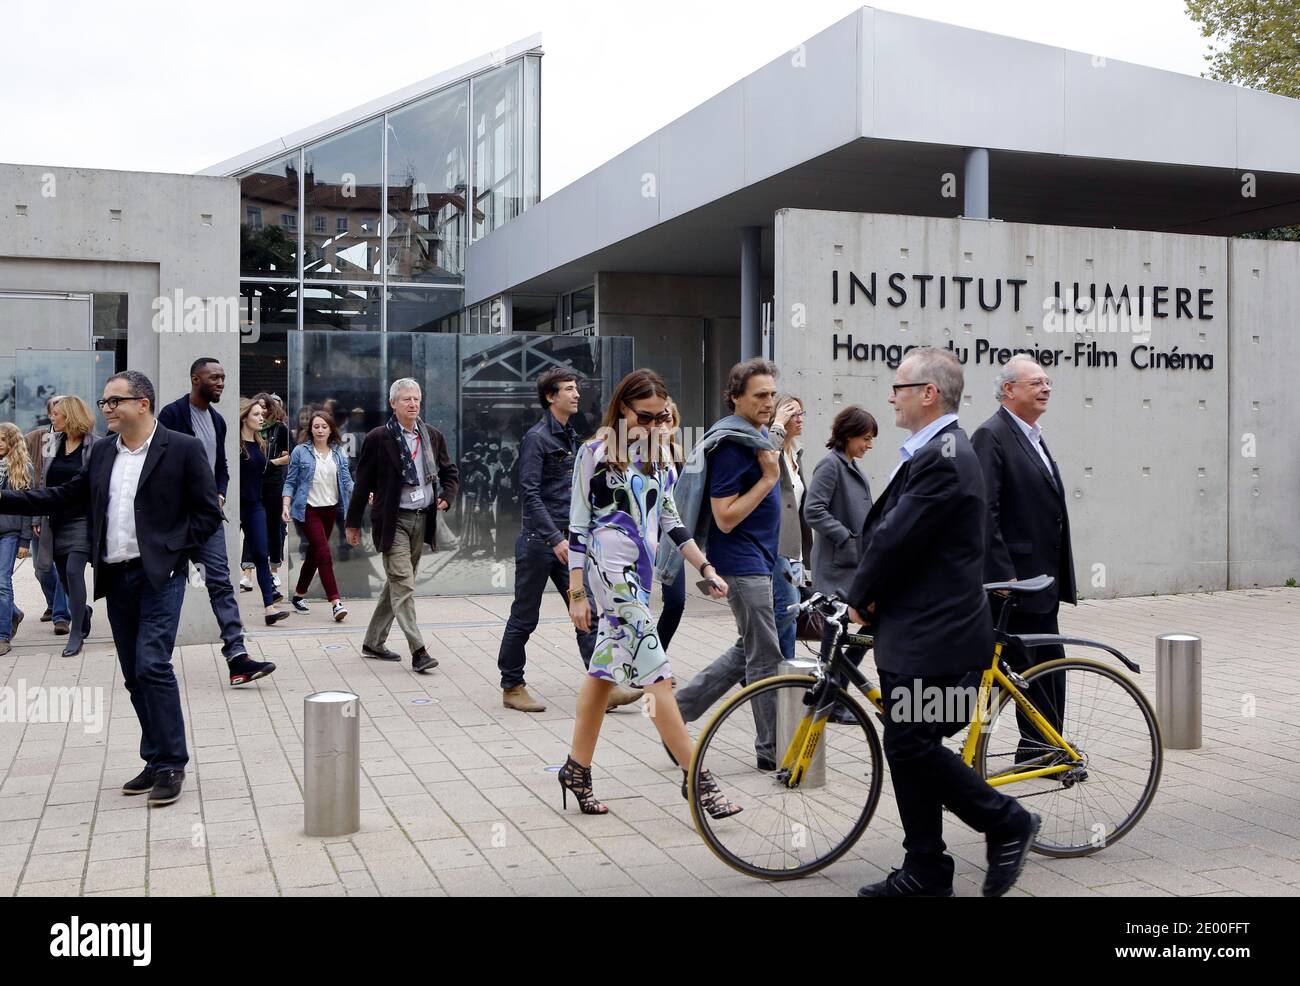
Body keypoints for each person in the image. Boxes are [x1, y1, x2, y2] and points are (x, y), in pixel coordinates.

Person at [844, 347, 1040, 898]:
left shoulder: (943, 455)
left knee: (911, 744)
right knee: (908, 744)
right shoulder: (936, 451)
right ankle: (926, 868)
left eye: (899, 387)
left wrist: (860, 597)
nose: (891, 397)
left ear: (928, 393)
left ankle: (1006, 821)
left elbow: (895, 537)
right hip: (923, 634)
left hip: (940, 640)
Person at [0, 370, 224, 806]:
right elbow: (61, 496)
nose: (107, 409)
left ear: (142, 403)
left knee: (152, 664)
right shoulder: (102, 453)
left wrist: (173, 552)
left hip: (160, 576)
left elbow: (207, 514)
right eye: (104, 402)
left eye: (113, 401)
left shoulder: (182, 449)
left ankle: (173, 762)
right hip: (116, 577)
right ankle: (156, 757)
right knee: (132, 673)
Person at [559, 369, 740, 820]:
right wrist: (576, 591)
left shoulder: (661, 458)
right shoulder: (594, 453)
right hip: (608, 574)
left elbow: (674, 522)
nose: (657, 425)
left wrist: (706, 567)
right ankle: (696, 776)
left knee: (603, 672)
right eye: (647, 417)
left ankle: (576, 769)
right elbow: (578, 527)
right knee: (656, 673)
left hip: (639, 577)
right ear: (623, 409)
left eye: (663, 417)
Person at [667, 359, 784, 771]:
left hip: (760, 560)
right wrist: (769, 480)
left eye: (772, 394)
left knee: (748, 649)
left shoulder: (756, 435)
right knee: (766, 656)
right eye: (760, 396)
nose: (769, 402)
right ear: (735, 398)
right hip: (741, 563)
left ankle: (677, 712)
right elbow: (725, 516)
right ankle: (772, 751)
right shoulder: (733, 447)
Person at [971, 354, 1077, 756]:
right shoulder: (992, 435)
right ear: (1009, 390)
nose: (1046, 387)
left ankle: (1043, 745)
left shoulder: (1032, 435)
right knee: (1018, 669)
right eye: (1036, 382)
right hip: (1015, 584)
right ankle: (1025, 745)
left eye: (1047, 381)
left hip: (1040, 580)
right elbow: (984, 510)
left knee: (1048, 665)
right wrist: (1002, 576)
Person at [495, 369, 616, 713]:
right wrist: (553, 539)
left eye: (576, 388)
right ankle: (512, 685)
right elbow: (529, 493)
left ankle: (602, 685)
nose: (576, 394)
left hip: (569, 544)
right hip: (539, 544)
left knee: (586, 612)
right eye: (568, 389)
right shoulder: (537, 438)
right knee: (525, 616)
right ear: (551, 397)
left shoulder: (571, 437)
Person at [157, 358, 272, 687]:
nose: (221, 382)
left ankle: (238, 658)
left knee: (221, 584)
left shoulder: (219, 421)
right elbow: (163, 465)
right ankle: (154, 661)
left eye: (223, 377)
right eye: (214, 377)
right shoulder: (172, 415)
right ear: (196, 379)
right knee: (169, 588)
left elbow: (222, 465)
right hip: (176, 521)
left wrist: (220, 493)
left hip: (207, 518)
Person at [345, 378, 459, 673]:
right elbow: (362, 484)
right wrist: (353, 523)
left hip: (423, 519)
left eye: (416, 399)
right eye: (406, 399)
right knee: (404, 583)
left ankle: (373, 642)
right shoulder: (378, 438)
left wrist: (447, 495)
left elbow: (450, 471)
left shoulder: (432, 436)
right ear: (393, 404)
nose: (412, 404)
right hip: (392, 520)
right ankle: (418, 650)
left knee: (397, 584)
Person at [42, 396, 100, 658]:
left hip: (82, 520)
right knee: (64, 577)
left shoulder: (95, 446)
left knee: (75, 572)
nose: (52, 418)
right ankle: (83, 610)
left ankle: (76, 632)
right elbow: (42, 480)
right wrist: (36, 517)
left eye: (56, 414)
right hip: (55, 520)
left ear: (70, 416)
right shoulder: (50, 442)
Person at [282, 408, 353, 622]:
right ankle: (335, 602)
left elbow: (347, 481)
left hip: (330, 510)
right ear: (310, 429)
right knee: (324, 553)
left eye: (324, 426)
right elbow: (291, 481)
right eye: (316, 427)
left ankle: (299, 595)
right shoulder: (301, 452)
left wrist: (363, 494)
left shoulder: (339, 453)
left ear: (331, 429)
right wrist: (285, 504)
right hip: (307, 510)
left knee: (314, 555)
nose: (320, 430)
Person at [804, 405, 877, 599]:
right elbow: (813, 510)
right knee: (832, 625)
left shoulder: (851, 465)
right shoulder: (831, 465)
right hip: (835, 567)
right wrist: (845, 538)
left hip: (850, 564)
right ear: (849, 435)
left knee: (841, 625)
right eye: (866, 438)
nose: (870, 445)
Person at [238, 398, 290, 633]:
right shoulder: (234, 444)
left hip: (254, 505)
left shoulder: (259, 442)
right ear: (244, 417)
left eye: (262, 414)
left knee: (260, 553)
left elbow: (264, 469)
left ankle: (269, 608)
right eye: (257, 414)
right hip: (234, 506)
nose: (262, 418)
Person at [769, 394, 814, 660]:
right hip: (776, 545)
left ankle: (779, 673)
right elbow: (762, 459)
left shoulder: (795, 453)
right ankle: (770, 669)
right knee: (786, 610)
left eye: (801, 414)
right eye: (793, 414)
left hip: (794, 549)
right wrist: (776, 424)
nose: (799, 419)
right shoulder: (773, 451)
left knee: (792, 612)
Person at [23, 398, 71, 633]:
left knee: (65, 564)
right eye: (53, 412)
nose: (56, 416)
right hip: (38, 510)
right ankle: (53, 604)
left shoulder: (79, 440)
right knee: (42, 567)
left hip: (67, 514)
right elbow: (29, 476)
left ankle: (62, 615)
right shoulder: (36, 438)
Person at [654, 399, 688, 653]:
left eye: (668, 420)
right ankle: (646, 666)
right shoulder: (639, 455)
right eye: (659, 420)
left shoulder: (677, 454)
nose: (664, 426)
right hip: (643, 535)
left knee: (676, 602)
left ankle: (656, 655)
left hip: (672, 535)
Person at [0, 423, 35, 657]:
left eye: (2, 440)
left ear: (12, 441)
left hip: (10, 534)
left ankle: (2, 636)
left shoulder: (22, 468)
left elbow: (27, 507)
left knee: (2, 582)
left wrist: (25, 540)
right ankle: (13, 613)